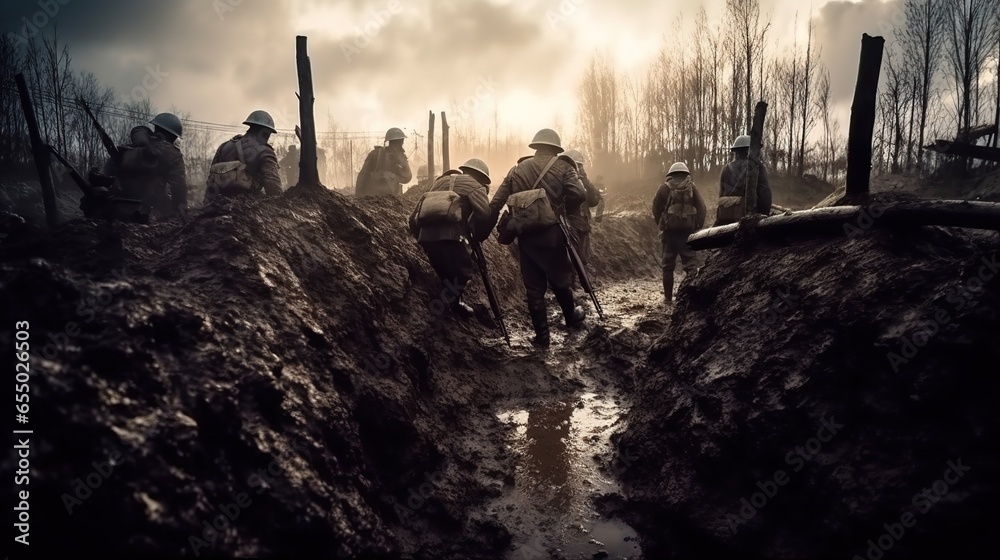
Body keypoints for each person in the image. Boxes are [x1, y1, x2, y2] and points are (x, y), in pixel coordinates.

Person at [488, 128, 587, 348]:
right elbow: (579, 194)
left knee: (533, 289)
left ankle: (542, 338)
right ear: (555, 148)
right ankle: (571, 317)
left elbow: (496, 203)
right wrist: (561, 207)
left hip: (526, 236)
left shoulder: (516, 170)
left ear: (535, 147)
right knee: (561, 280)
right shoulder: (564, 167)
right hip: (553, 233)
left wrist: (481, 231)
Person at [408, 158, 494, 315]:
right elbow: (485, 214)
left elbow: (413, 218)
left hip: (426, 236)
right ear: (480, 177)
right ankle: (439, 309)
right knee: (464, 273)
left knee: (447, 274)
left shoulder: (438, 182)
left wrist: (421, 238)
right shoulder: (474, 185)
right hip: (451, 237)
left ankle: (454, 305)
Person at [103, 112, 187, 219]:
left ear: (156, 127)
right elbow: (179, 186)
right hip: (151, 209)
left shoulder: (133, 147)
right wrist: (180, 209)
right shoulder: (174, 154)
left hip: (119, 203)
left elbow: (109, 170)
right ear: (174, 136)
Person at [652, 162, 706, 305]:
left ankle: (668, 299)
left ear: (670, 175)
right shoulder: (692, 187)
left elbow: (656, 208)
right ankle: (693, 296)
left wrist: (661, 224)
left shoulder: (664, 188)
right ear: (685, 174)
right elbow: (702, 207)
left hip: (669, 235)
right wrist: (697, 226)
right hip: (687, 235)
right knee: (690, 265)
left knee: (667, 266)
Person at [204, 110, 283, 204]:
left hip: (219, 203)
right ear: (265, 132)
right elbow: (273, 186)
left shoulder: (224, 146)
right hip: (247, 205)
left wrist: (206, 204)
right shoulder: (265, 151)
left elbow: (211, 179)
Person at [717, 134, 772, 225]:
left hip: (727, 218)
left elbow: (722, 195)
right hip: (750, 217)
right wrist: (764, 215)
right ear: (750, 150)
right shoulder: (758, 167)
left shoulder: (726, 168)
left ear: (736, 152)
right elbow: (764, 193)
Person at [563, 149, 602, 267]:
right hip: (579, 224)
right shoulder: (580, 180)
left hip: (561, 224)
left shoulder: (558, 176)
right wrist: (584, 178)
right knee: (581, 259)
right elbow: (594, 199)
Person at [355, 127, 413, 196]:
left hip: (392, 198)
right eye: (397, 143)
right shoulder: (375, 154)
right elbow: (363, 175)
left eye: (400, 142)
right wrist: (359, 195)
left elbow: (407, 178)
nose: (399, 145)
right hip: (372, 197)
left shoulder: (400, 158)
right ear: (391, 143)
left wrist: (400, 167)